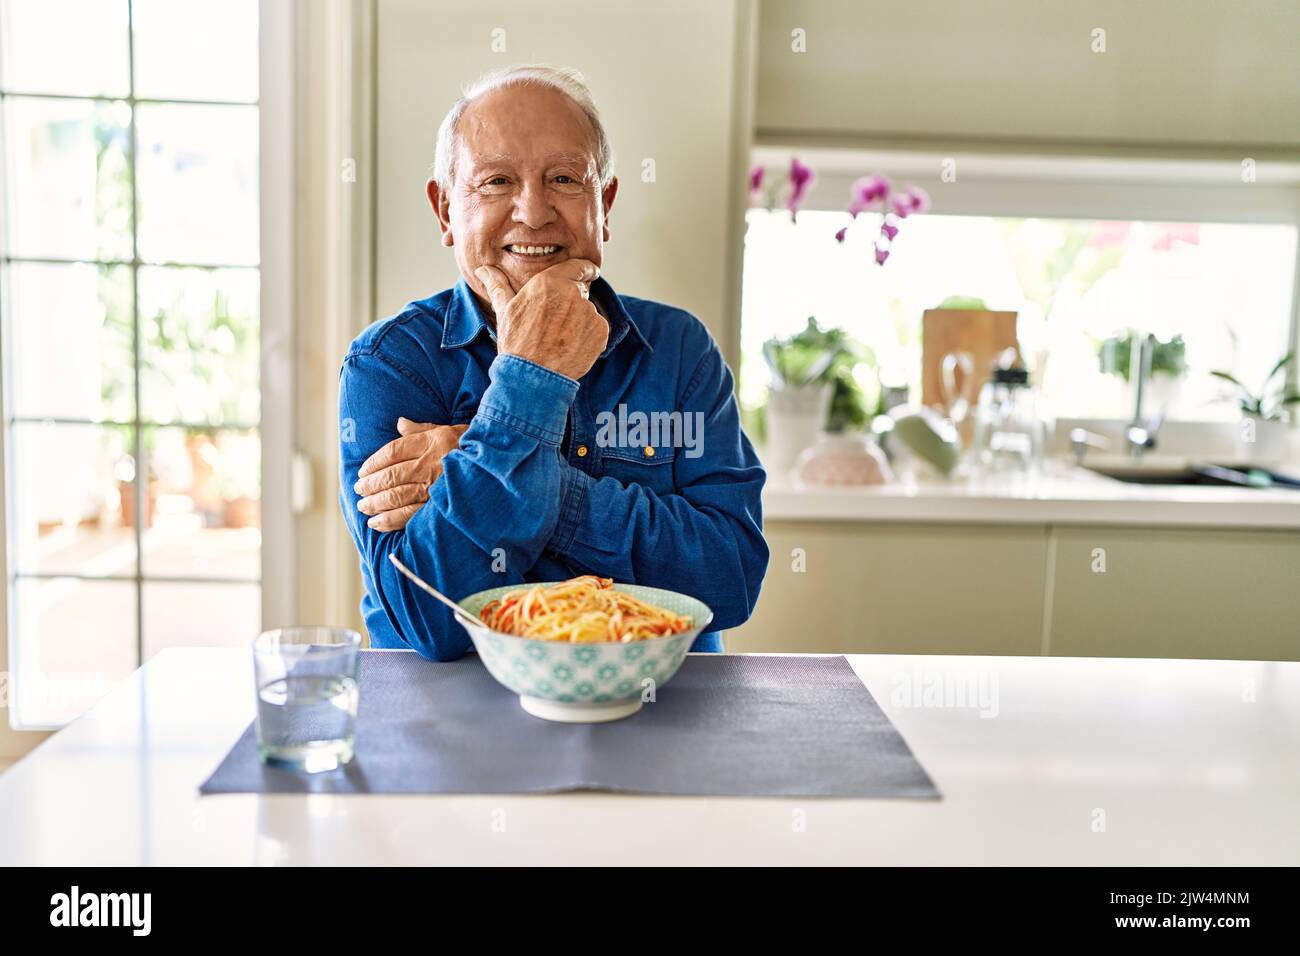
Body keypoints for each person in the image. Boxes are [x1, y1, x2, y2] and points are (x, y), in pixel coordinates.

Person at [337, 65, 768, 660]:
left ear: (605, 204)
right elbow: (429, 617)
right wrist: (530, 379)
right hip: (455, 728)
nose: (534, 212)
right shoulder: (389, 364)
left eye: (564, 178)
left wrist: (482, 462)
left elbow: (731, 577)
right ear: (444, 211)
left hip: (654, 720)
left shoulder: (679, 350)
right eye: (495, 182)